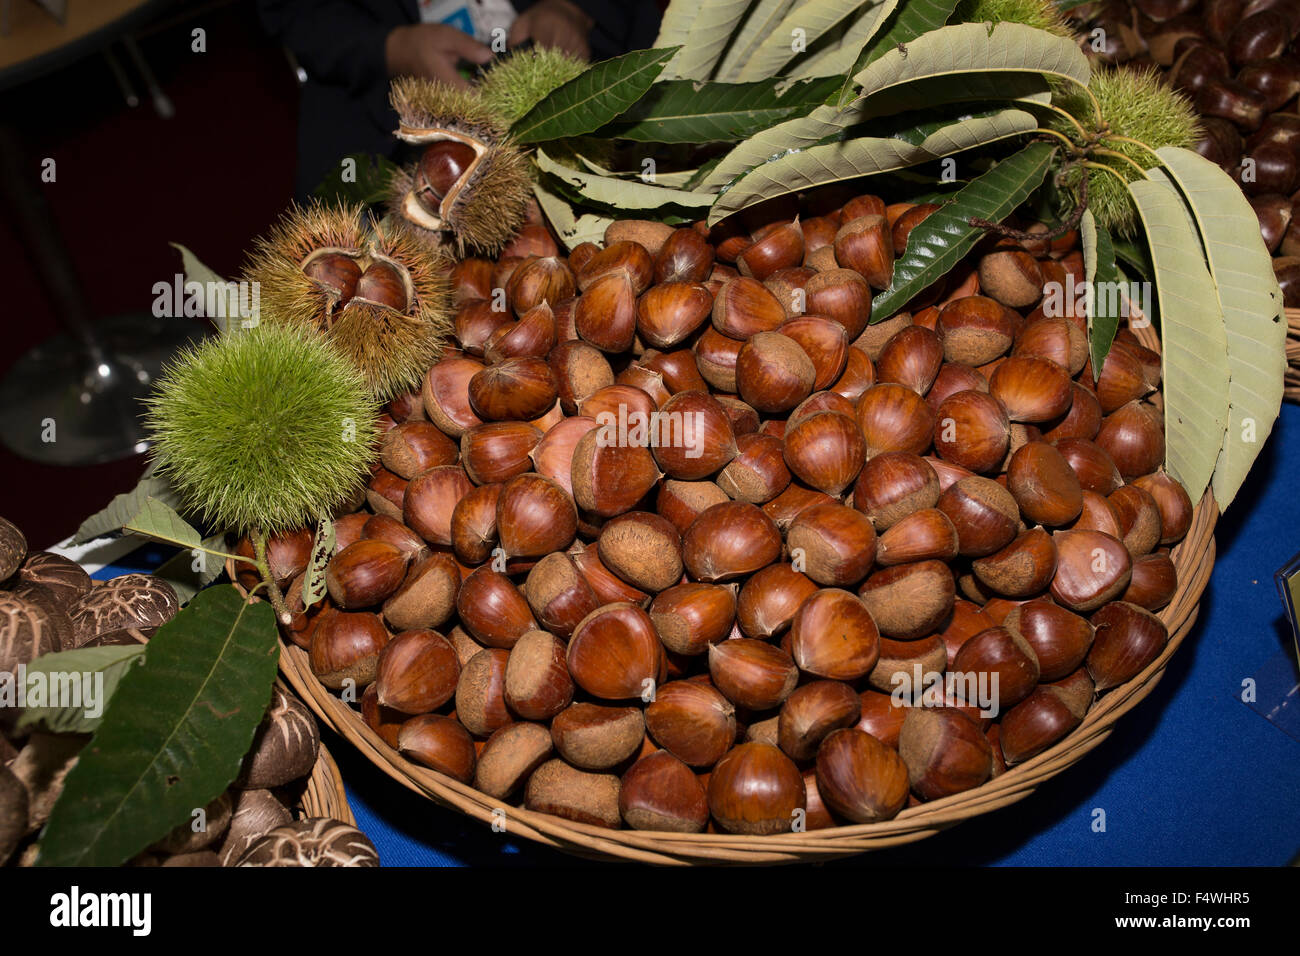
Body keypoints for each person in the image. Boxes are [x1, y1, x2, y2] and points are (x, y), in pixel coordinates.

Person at [258, 0, 662, 199]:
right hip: (375, 124)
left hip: (587, 85)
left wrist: (574, 8)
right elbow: (290, 11)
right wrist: (390, 49)